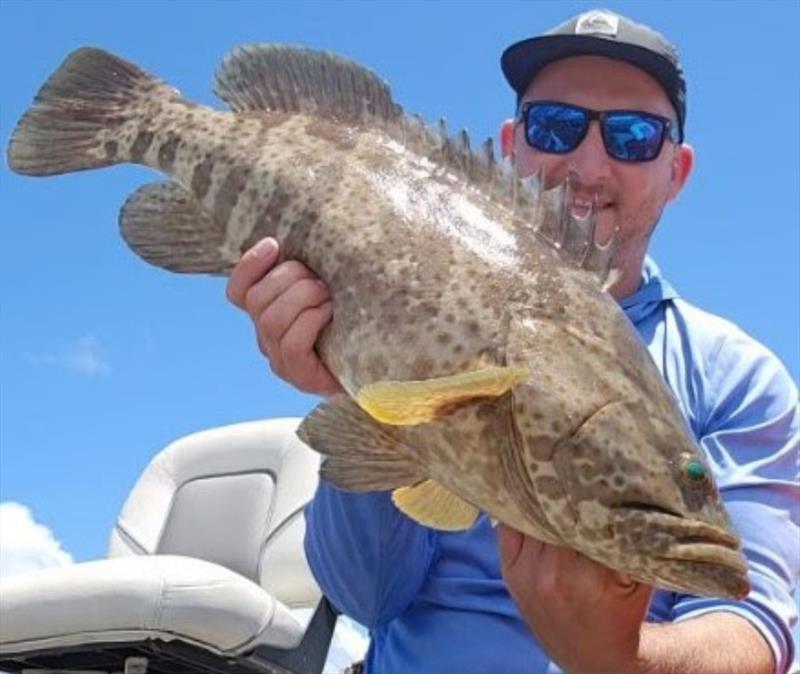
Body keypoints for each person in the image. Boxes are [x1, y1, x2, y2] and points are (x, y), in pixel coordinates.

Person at [226, 9, 799, 674]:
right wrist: (351, 377)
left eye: (634, 136)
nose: (589, 163)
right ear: (511, 145)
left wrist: (622, 660)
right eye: (554, 125)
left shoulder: (737, 376)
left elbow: (753, 623)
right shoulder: (403, 290)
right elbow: (364, 597)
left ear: (677, 170)